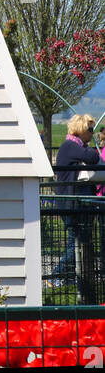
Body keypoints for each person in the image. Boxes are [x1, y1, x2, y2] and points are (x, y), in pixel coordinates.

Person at [51, 113, 105, 296]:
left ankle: (67, 276)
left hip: (76, 204)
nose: (92, 133)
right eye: (89, 129)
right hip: (71, 204)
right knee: (77, 243)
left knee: (77, 241)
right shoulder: (71, 146)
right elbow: (91, 157)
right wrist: (92, 152)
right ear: (80, 130)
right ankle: (56, 274)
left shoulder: (73, 146)